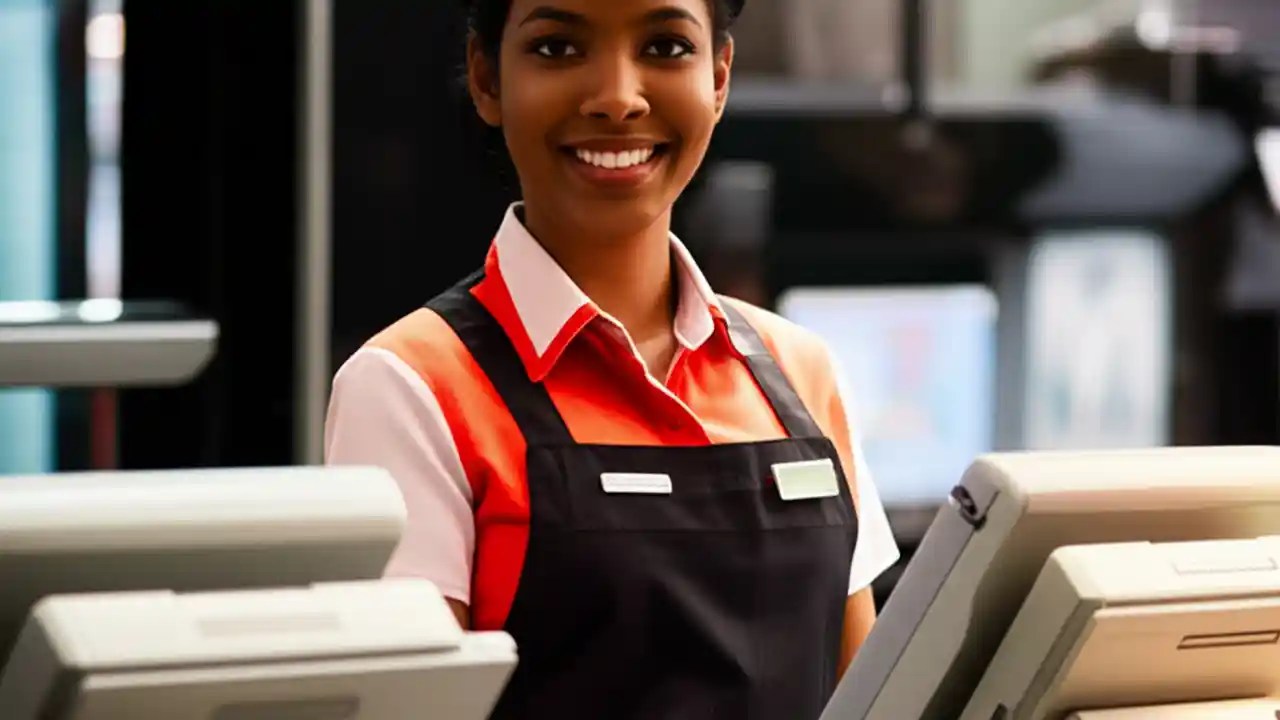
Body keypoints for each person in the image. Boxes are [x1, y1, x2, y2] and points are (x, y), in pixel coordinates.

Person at [324, 0, 899, 716]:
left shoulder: (801, 369)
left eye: (664, 46)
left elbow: (872, 698)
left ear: (718, 77)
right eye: (559, 49)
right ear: (486, 79)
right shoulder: (409, 387)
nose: (617, 98)